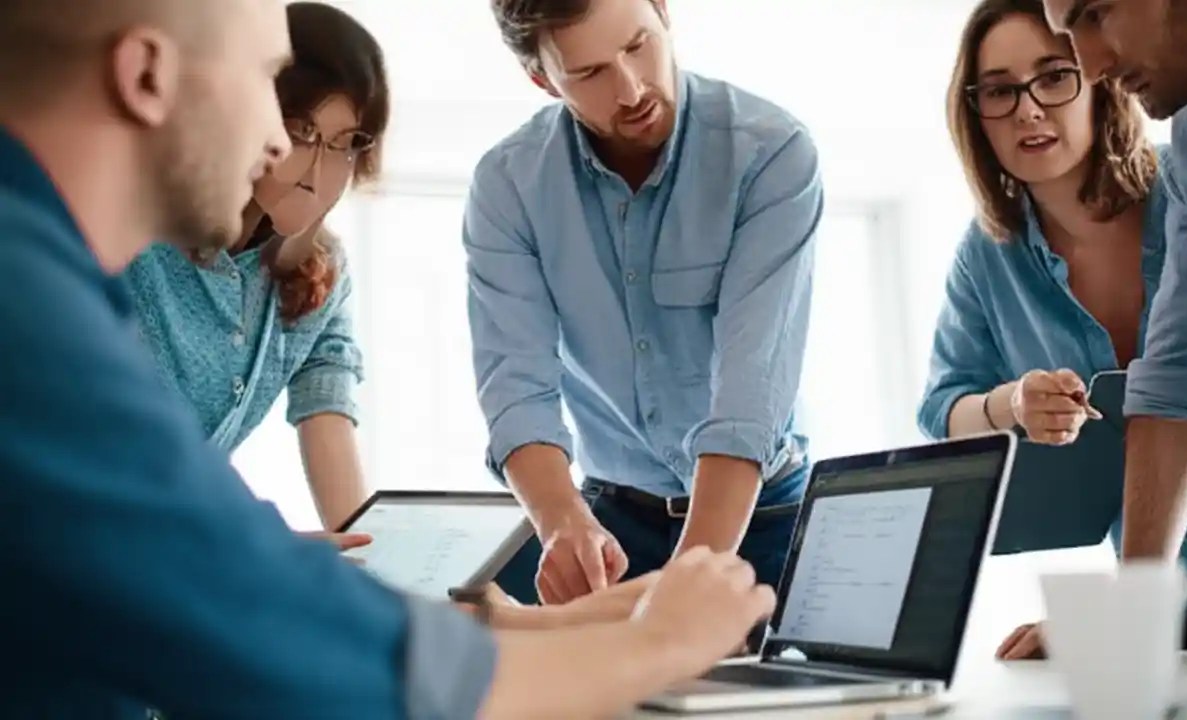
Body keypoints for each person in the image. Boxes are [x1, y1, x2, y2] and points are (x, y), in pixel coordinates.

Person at [0, 1, 779, 717]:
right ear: (147, 77)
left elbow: (203, 572)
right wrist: (657, 644)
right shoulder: (26, 309)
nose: (279, 145)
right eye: (267, 82)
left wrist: (537, 622)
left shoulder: (46, 278)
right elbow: (307, 658)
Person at [919, 0, 1187, 663]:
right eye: (999, 91)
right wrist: (1128, 606)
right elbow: (1178, 383)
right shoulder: (990, 255)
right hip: (1166, 602)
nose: (1029, 109)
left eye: (1053, 75)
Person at [471, 0, 823, 607]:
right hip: (609, 526)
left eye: (638, 46)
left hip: (765, 515)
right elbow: (516, 389)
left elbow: (751, 392)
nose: (632, 89)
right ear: (542, 80)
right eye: (589, 74)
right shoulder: (508, 185)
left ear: (663, 10)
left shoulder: (771, 152)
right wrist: (562, 522)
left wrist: (685, 588)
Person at [123, 2, 383, 530]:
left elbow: (328, 414)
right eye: (301, 130)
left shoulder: (325, 270)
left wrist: (368, 557)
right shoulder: (140, 242)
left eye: (345, 143)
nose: (316, 169)